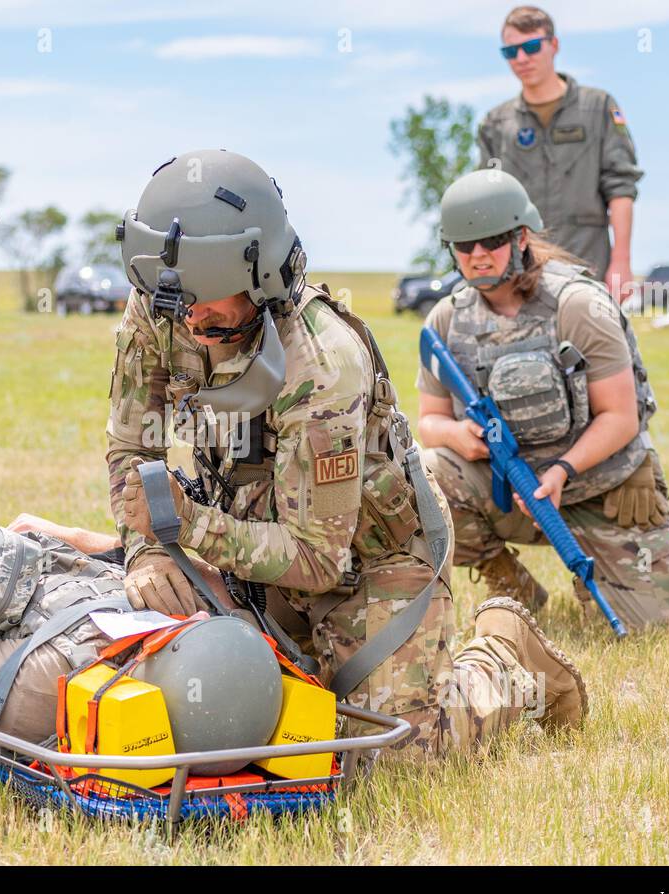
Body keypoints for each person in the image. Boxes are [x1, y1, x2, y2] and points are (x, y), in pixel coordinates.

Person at [105, 148, 587, 757]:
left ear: (262, 280)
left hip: (372, 564)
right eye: (176, 301)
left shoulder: (321, 364)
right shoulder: (166, 298)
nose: (190, 319)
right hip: (252, 552)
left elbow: (317, 558)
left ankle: (503, 656)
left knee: (393, 755)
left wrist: (188, 523)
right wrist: (147, 549)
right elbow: (130, 443)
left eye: (210, 301)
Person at [416, 169, 669, 632]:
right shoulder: (448, 320)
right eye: (463, 245)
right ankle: (509, 582)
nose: (477, 255)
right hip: (512, 491)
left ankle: (619, 568)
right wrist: (461, 435)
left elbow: (621, 416)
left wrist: (562, 470)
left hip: (600, 486)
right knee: (425, 471)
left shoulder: (577, 306)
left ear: (521, 237)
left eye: (491, 241)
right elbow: (429, 423)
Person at [476, 5, 641, 300]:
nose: (521, 59)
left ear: (554, 45)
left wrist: (621, 262)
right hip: (521, 273)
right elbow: (487, 203)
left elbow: (621, 188)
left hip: (588, 264)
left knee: (589, 345)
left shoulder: (598, 107)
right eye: (510, 52)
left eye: (530, 47)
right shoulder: (496, 123)